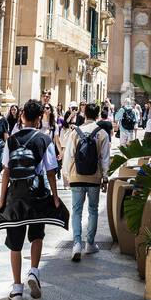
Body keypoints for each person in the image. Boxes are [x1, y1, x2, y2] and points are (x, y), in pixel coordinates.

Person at [0, 98, 68, 300]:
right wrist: (55, 197)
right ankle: (33, 271)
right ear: (40, 117)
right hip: (37, 194)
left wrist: (1, 199)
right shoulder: (44, 140)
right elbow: (51, 172)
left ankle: (16, 288)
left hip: (15, 195)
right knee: (37, 235)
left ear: (22, 116)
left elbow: (6, 171)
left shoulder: (12, 140)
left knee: (15, 242)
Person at [61, 101, 110, 260]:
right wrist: (105, 177)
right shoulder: (102, 133)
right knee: (93, 210)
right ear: (97, 115)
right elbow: (105, 159)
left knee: (76, 210)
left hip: (77, 176)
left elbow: (69, 154)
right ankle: (89, 243)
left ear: (84, 114)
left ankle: (76, 243)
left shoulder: (76, 131)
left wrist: (67, 175)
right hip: (94, 177)